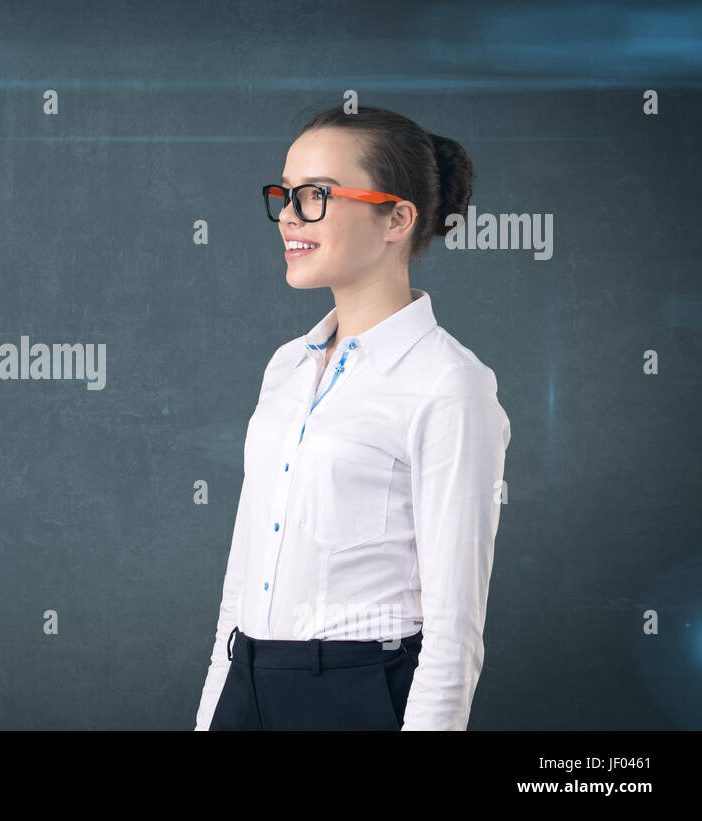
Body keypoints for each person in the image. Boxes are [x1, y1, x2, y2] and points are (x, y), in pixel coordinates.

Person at [194, 105, 511, 730]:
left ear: (397, 216)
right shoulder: (286, 367)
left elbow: (454, 632)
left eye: (315, 195)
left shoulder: (450, 384)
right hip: (247, 683)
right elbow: (244, 576)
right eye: (285, 193)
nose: (288, 214)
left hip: (356, 695)